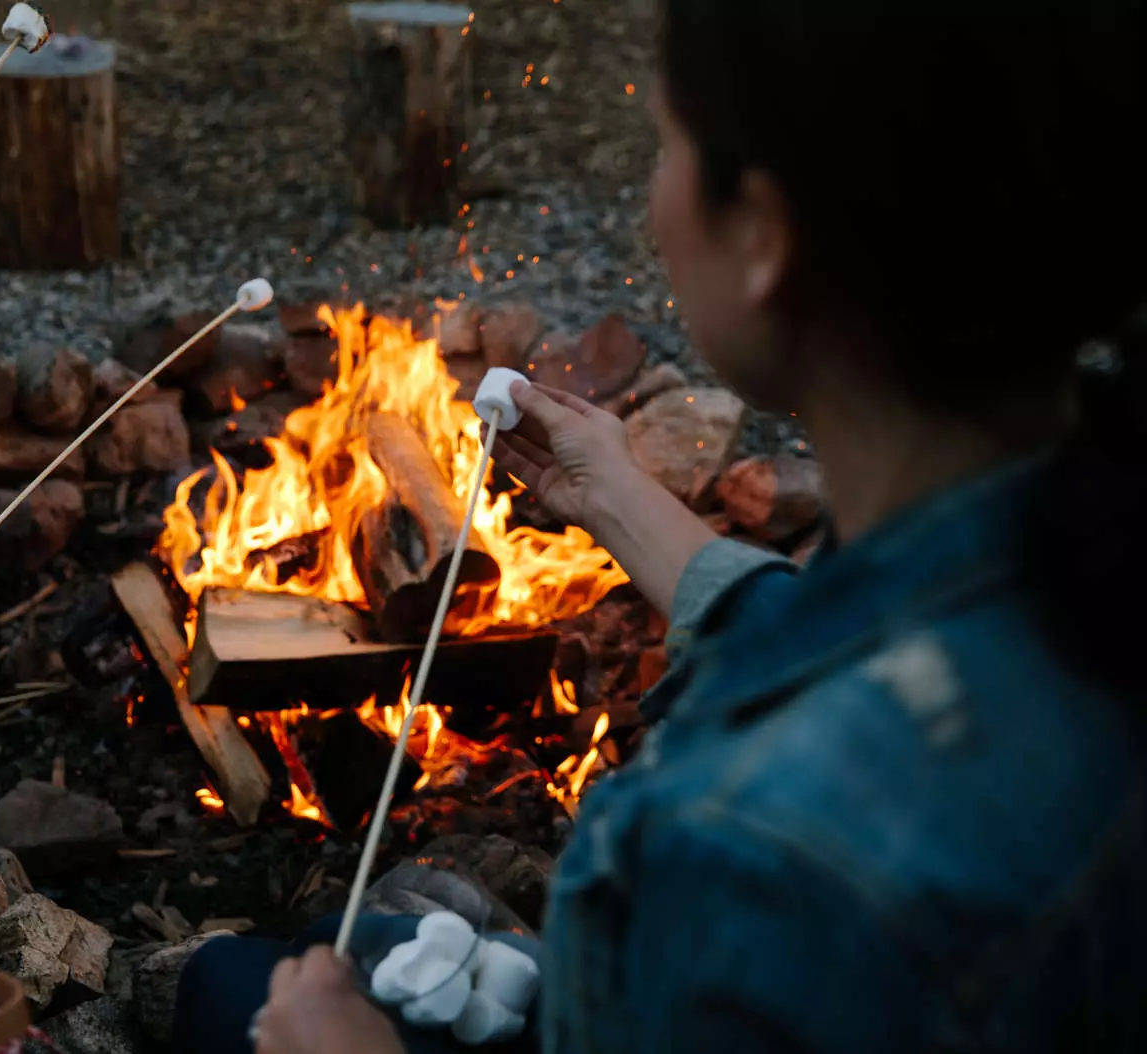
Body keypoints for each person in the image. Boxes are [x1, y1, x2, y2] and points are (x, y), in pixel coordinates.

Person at [250, 0, 1147, 1051]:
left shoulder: (744, 847)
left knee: (246, 981)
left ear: (764, 234)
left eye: (667, 144)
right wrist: (617, 499)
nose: (651, 204)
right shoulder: (1089, 549)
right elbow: (866, 644)